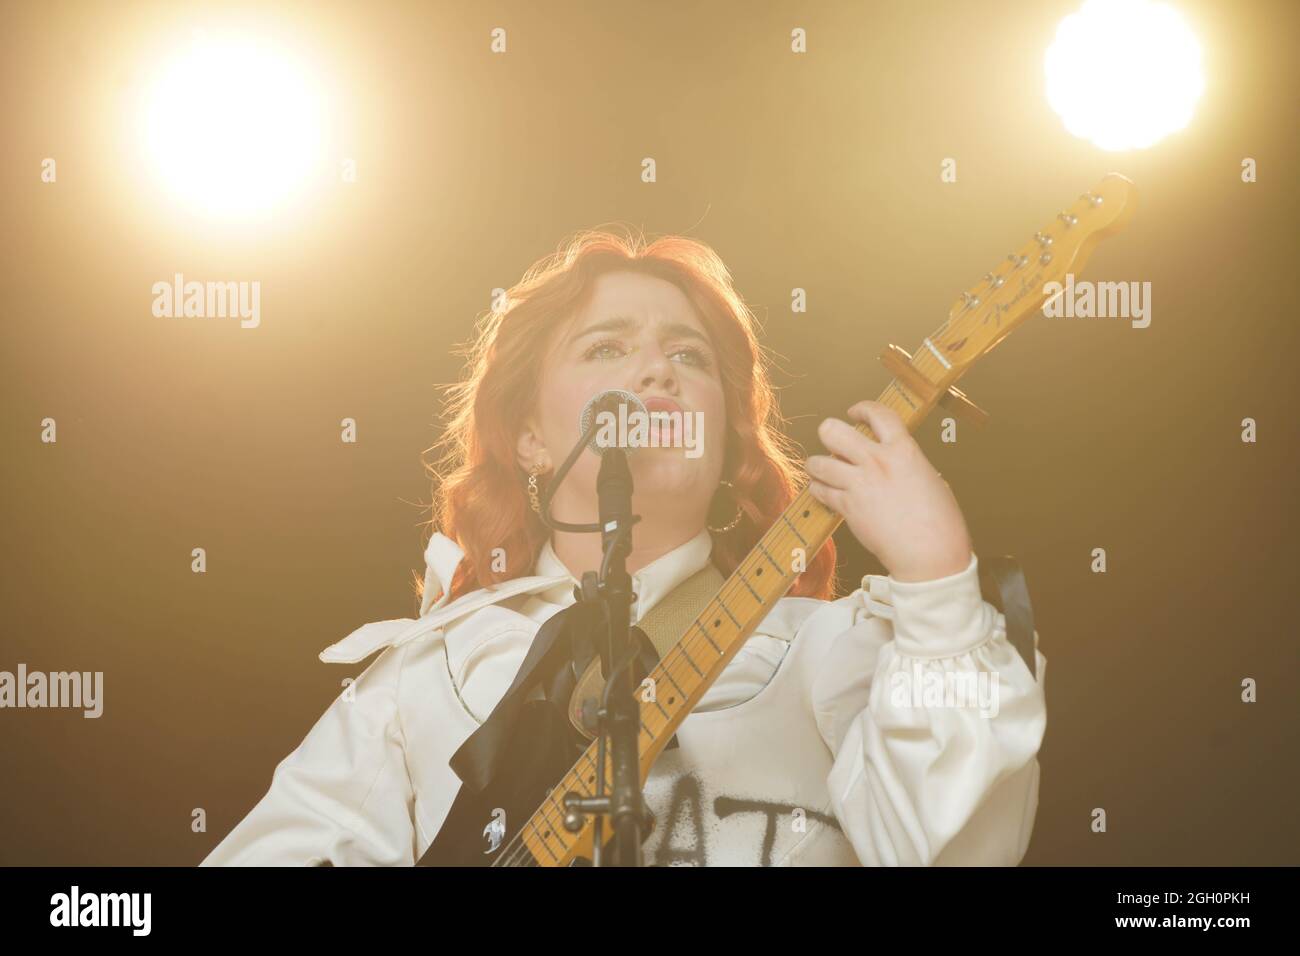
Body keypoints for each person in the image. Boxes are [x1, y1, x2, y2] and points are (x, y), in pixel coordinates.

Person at [200, 227, 1047, 867]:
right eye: (608, 348)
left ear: (724, 444)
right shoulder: (426, 674)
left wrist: (937, 579)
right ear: (529, 438)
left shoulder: (837, 653)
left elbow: (955, 850)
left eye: (691, 357)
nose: (657, 373)